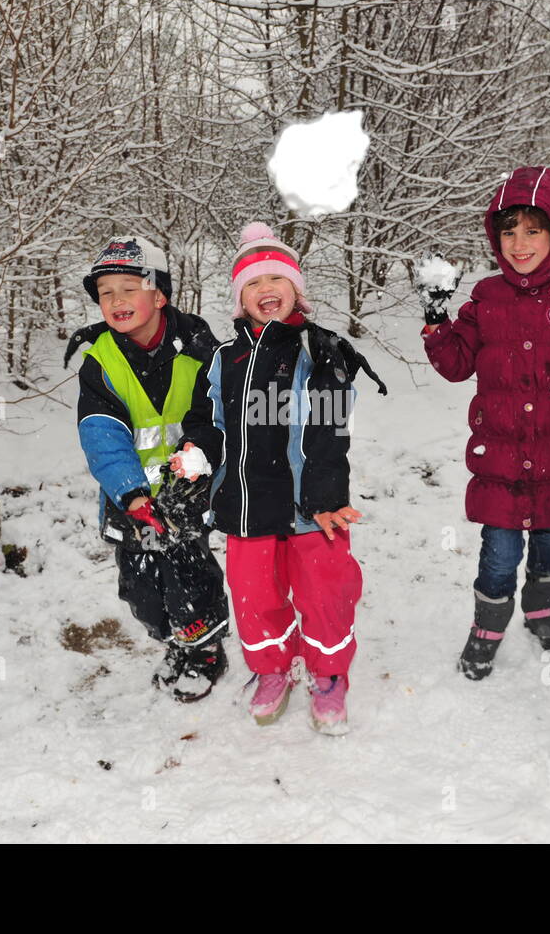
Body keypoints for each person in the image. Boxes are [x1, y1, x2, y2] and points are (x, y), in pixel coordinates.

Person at [172, 222, 386, 733]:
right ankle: (272, 669)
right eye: (253, 282)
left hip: (315, 508)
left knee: (326, 594)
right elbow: (209, 422)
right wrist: (198, 451)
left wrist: (325, 494)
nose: (266, 290)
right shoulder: (222, 359)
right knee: (255, 597)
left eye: (277, 279)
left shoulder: (321, 348)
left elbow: (332, 426)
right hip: (247, 506)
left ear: (296, 290)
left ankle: (329, 675)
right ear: (239, 299)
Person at [420, 167, 550, 678]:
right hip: (498, 462)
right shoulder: (487, 298)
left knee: (549, 547)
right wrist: (436, 320)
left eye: (532, 230)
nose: (519, 243)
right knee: (498, 556)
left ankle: (542, 612)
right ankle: (487, 628)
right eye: (508, 231)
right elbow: (455, 364)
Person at [72, 235, 231, 702]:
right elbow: (101, 431)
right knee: (142, 591)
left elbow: (217, 417)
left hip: (186, 493)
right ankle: (171, 638)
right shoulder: (101, 360)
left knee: (189, 575)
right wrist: (132, 492)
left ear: (158, 295)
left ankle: (203, 648)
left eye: (129, 287)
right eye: (106, 293)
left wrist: (195, 464)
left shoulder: (201, 350)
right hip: (131, 500)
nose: (117, 300)